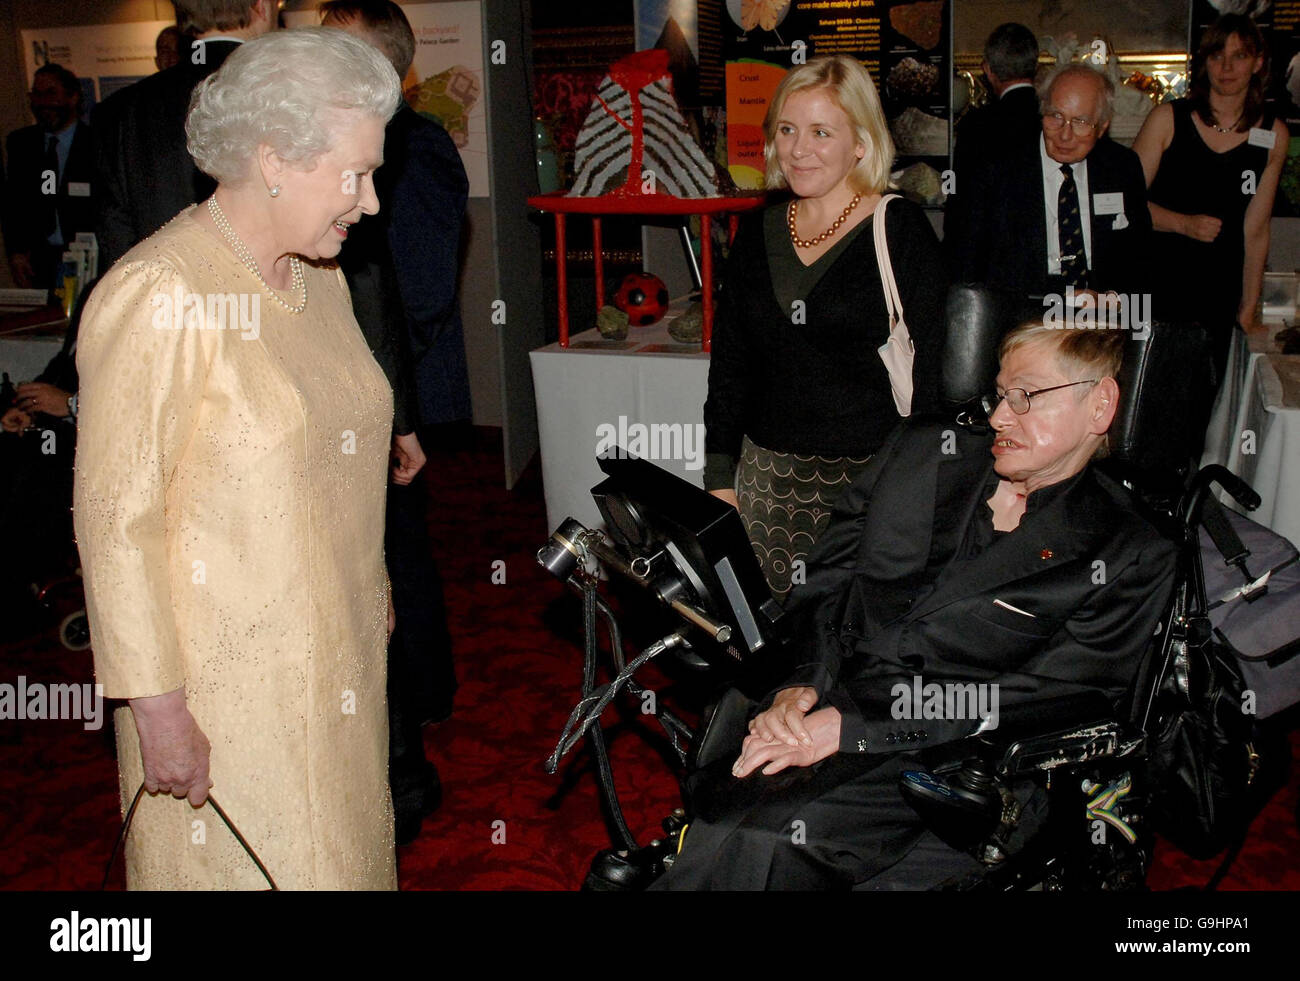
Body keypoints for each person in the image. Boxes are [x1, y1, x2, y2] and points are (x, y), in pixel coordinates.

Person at [656, 324, 1177, 890]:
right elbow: (823, 584)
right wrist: (799, 684)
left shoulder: (1128, 551)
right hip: (831, 686)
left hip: (948, 749)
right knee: (723, 815)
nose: (1002, 416)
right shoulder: (923, 451)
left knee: (765, 840)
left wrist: (854, 726)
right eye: (1000, 395)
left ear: (1100, 404)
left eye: (1027, 396)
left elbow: (1049, 697)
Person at [73, 27, 402, 890]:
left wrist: (373, 597)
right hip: (226, 699)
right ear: (274, 160)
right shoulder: (161, 293)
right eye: (355, 173)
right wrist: (159, 708)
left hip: (340, 668)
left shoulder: (316, 276)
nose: (369, 202)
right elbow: (116, 522)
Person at [704, 55, 947, 602]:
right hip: (769, 484)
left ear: (860, 143)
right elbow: (732, 363)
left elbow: (934, 365)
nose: (798, 149)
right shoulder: (758, 230)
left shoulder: (898, 229)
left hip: (871, 484)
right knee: (774, 643)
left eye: (820, 132)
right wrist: (719, 474)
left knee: (854, 648)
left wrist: (915, 486)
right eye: (787, 130)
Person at [320, 0, 461, 846]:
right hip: (357, 393)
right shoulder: (330, 140)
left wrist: (383, 399)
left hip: (384, 388)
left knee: (396, 554)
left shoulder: (419, 144)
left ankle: (414, 714)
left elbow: (421, 286)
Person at [1131, 14, 1287, 380]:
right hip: (1158, 288)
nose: (1227, 67)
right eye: (1217, 56)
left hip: (1218, 296)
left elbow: (1257, 228)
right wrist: (1182, 224)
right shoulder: (1168, 119)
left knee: (1201, 411)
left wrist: (1247, 311)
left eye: (1239, 56)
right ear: (1205, 62)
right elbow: (1124, 205)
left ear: (1258, 63)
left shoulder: (1272, 134)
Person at [93, 0, 278, 269]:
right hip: (265, 297)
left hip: (158, 297)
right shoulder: (285, 97)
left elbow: (115, 236)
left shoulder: (119, 110)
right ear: (262, 7)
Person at [949, 63, 1152, 299]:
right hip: (1022, 310)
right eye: (1056, 117)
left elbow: (1141, 259)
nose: (1065, 135)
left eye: (1081, 122)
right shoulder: (997, 172)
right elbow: (966, 264)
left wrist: (1115, 302)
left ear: (1102, 126)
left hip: (1100, 313)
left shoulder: (1121, 168)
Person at [945, 23, 1041, 265]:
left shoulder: (976, 125)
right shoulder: (1051, 117)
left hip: (989, 254)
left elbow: (959, 197)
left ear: (988, 70)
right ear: (1035, 66)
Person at [2, 64, 95, 290]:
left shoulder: (96, 143)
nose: (42, 103)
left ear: (73, 98)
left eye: (51, 94)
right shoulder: (21, 143)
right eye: (36, 94)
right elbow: (13, 203)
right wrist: (16, 253)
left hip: (88, 260)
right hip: (39, 263)